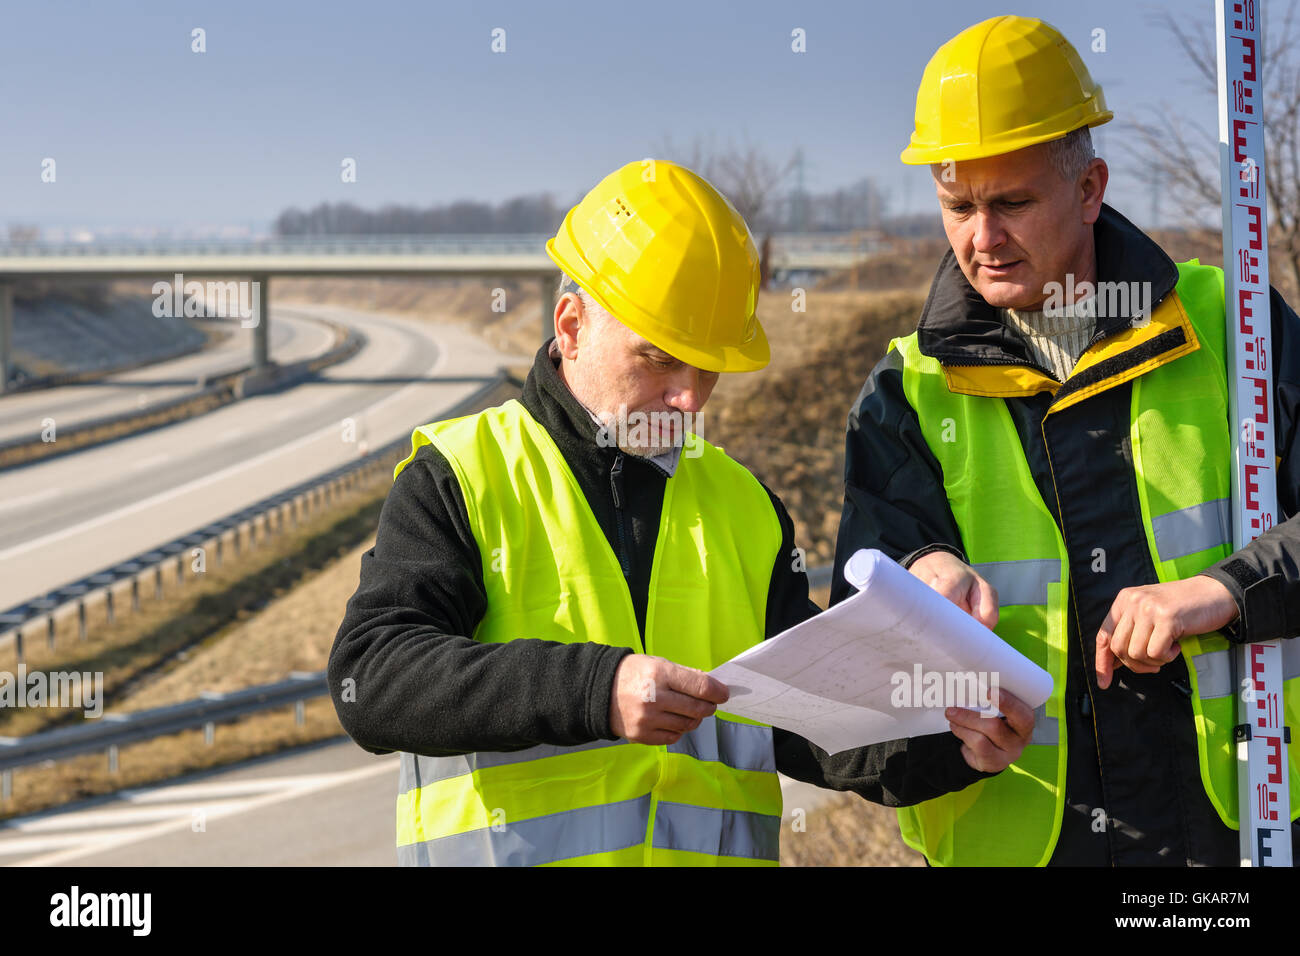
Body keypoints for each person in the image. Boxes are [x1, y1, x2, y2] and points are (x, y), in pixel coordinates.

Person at [328, 159, 1034, 866]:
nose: (690, 400)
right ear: (571, 326)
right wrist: (595, 689)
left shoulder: (745, 508)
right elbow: (374, 679)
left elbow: (812, 724)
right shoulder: (462, 476)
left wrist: (953, 743)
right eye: (661, 361)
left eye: (709, 368)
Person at [832, 14, 1300, 866]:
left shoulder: (1235, 329)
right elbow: (856, 712)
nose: (982, 238)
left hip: (1227, 849)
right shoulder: (908, 392)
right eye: (958, 206)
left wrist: (1227, 590)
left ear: (1090, 189)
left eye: (1011, 202)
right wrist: (921, 577)